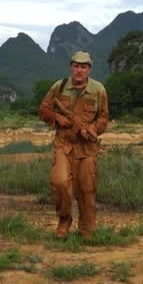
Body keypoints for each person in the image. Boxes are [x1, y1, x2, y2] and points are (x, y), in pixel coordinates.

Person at [37, 51, 109, 239]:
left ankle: (87, 229)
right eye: (76, 66)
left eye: (83, 67)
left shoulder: (98, 89)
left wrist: (93, 129)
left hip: (87, 149)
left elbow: (103, 117)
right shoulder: (59, 87)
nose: (79, 70)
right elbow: (43, 109)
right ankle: (64, 219)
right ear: (71, 67)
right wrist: (57, 118)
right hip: (64, 145)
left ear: (89, 69)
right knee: (59, 182)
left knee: (87, 188)